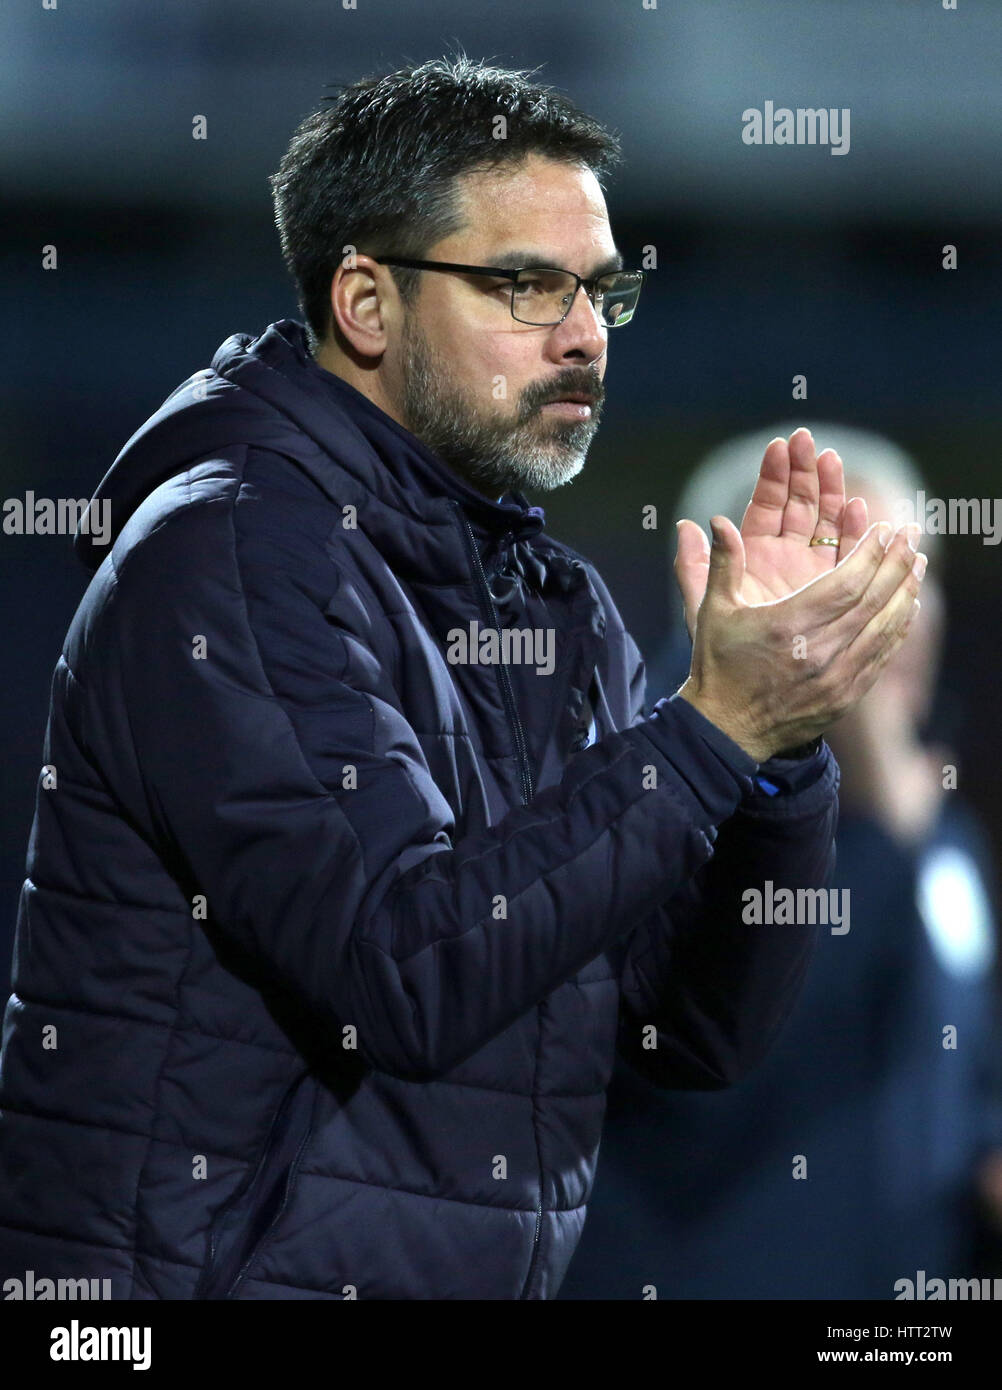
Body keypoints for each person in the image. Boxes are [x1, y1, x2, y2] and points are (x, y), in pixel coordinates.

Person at [0, 60, 924, 1301]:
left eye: (601, 290)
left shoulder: (546, 602)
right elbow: (406, 967)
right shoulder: (232, 551)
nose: (586, 332)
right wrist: (713, 728)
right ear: (367, 303)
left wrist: (780, 751)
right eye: (527, 283)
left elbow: (686, 1033)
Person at [559, 423, 1002, 1299]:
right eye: (859, 574)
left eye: (919, 571)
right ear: (735, 595)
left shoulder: (941, 828)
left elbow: (959, 1070)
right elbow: (709, 1072)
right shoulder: (634, 788)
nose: (907, 613)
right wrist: (876, 831)